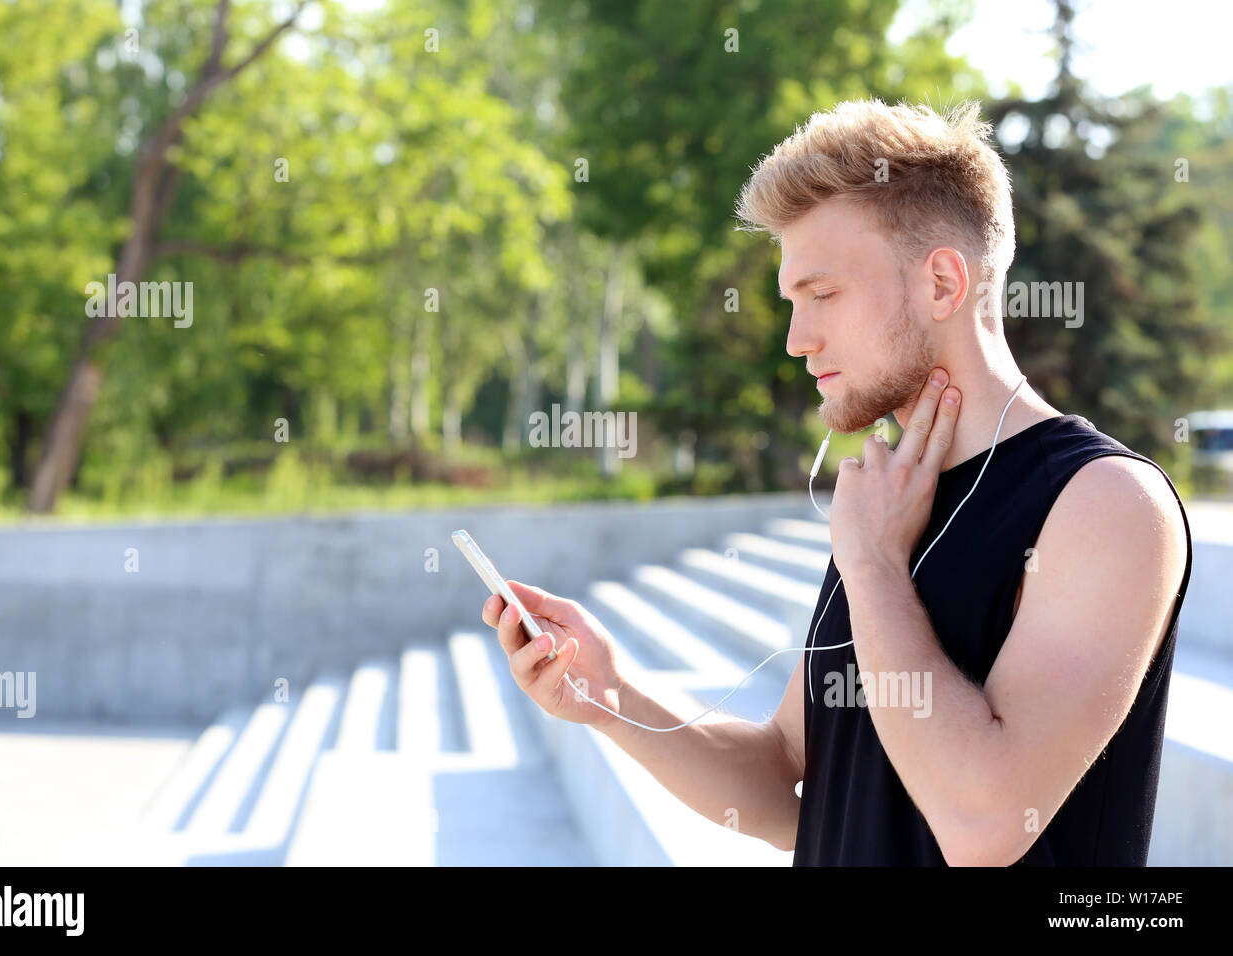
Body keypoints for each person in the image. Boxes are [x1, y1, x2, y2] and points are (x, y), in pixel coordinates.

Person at [480, 99, 1191, 866]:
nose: (797, 339)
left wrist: (876, 566)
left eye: (823, 295)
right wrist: (613, 696)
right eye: (793, 303)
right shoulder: (887, 501)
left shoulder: (1105, 503)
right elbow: (789, 784)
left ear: (944, 283)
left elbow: (985, 824)